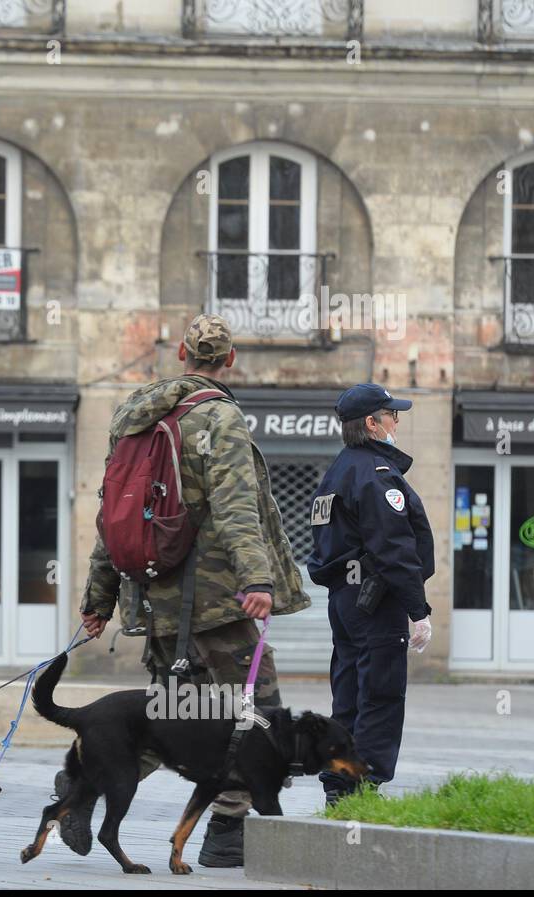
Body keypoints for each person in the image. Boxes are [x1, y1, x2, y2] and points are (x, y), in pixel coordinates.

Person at [68, 314, 311, 868]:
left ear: (181, 353)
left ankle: (78, 794)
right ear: (230, 360)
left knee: (171, 717)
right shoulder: (220, 418)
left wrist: (97, 600)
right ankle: (227, 832)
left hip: (155, 600)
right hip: (218, 601)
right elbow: (235, 508)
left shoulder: (135, 417)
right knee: (258, 713)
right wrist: (257, 579)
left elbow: (113, 515)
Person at [308, 383, 434, 805]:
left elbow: (322, 548)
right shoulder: (377, 475)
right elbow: (393, 547)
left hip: (345, 601)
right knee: (379, 693)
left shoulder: (337, 471)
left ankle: (340, 788)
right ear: (372, 423)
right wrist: (418, 610)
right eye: (391, 414)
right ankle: (363, 786)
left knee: (348, 695)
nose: (397, 421)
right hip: (375, 601)